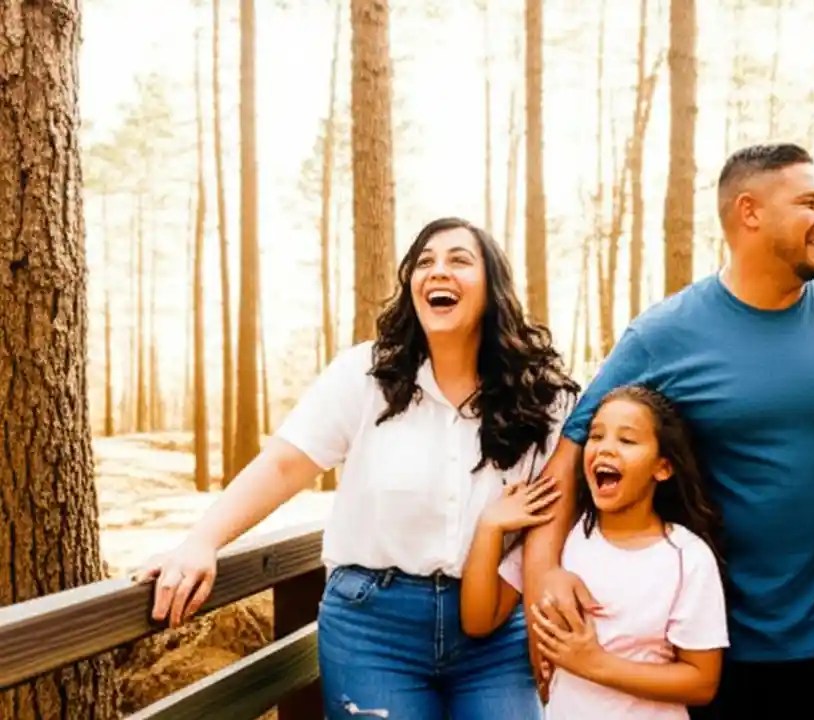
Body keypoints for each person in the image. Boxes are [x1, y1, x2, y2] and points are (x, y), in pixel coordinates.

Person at [135, 217, 579, 719]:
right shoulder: (364, 376)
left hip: (497, 627)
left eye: (459, 260)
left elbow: (561, 514)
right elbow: (284, 465)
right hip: (375, 629)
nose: (438, 271)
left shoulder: (546, 397)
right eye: (425, 262)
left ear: (493, 286)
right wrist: (202, 540)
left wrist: (550, 616)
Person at [522, 143, 814, 717]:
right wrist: (543, 576)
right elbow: (571, 454)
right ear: (750, 212)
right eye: (809, 203)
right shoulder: (663, 334)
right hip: (718, 648)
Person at [461, 385, 729, 718]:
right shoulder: (559, 541)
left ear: (662, 467)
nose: (605, 449)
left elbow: (701, 681)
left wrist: (596, 664)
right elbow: (478, 619)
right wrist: (490, 526)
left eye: (627, 440)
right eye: (596, 436)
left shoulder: (687, 556)